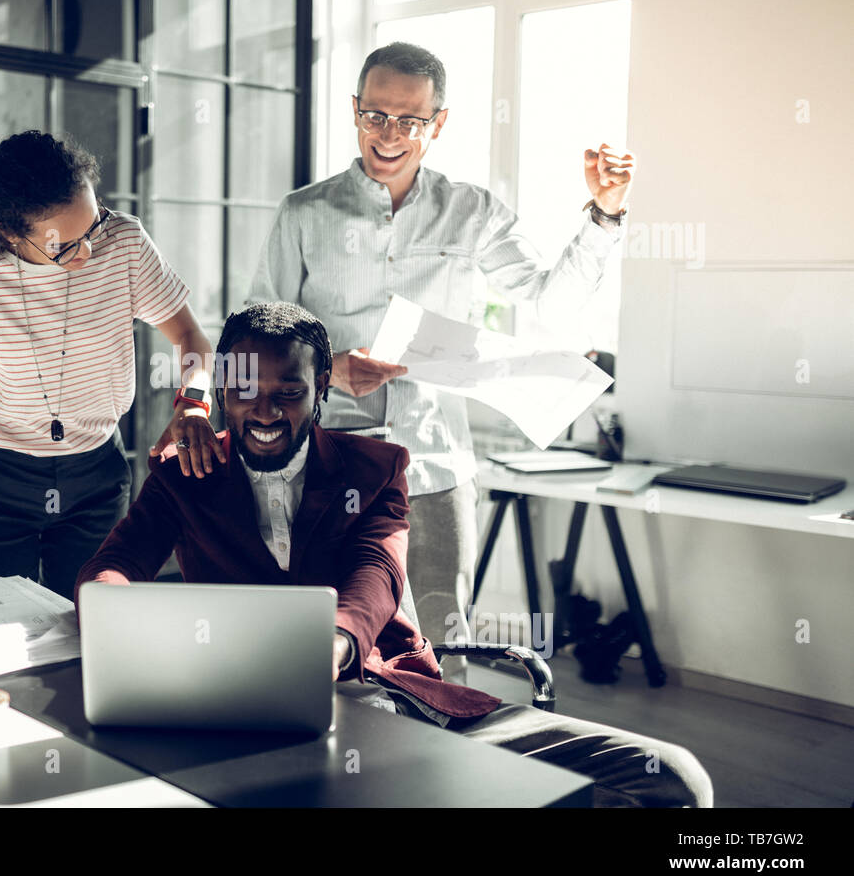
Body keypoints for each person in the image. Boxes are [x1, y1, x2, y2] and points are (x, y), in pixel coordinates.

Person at [75, 303, 711, 807]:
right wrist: (115, 611)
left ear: (322, 388)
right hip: (251, 721)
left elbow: (377, 576)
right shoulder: (185, 473)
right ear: (220, 387)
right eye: (244, 391)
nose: (263, 411)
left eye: (288, 392)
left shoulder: (376, 467)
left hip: (391, 693)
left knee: (674, 779)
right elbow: (110, 567)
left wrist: (334, 644)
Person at [245, 42, 635, 683]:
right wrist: (325, 369)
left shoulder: (471, 212)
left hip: (435, 467)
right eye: (376, 116)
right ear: (354, 112)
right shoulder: (305, 213)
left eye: (410, 121)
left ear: (438, 124)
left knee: (443, 644)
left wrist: (604, 214)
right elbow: (256, 337)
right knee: (326, 640)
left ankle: (434, 768)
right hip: (327, 464)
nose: (390, 135)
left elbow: (550, 306)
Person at [0, 131, 224, 600]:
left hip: (97, 476)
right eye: (65, 247)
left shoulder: (123, 242)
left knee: (88, 625)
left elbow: (192, 337)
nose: (87, 253)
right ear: (9, 233)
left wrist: (194, 402)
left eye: (94, 227)